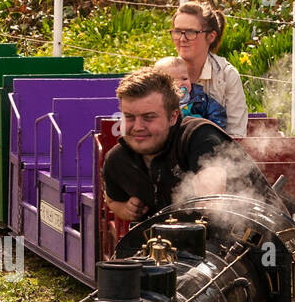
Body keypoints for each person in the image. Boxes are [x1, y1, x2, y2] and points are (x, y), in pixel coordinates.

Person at [103, 66, 276, 223]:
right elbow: (111, 199)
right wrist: (126, 210)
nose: (138, 127)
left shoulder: (198, 135)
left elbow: (211, 184)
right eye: (130, 117)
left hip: (264, 241)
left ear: (173, 117)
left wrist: (208, 193)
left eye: (149, 117)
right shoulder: (117, 159)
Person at [169, 1, 247, 138]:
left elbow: (236, 134)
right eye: (177, 31)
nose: (182, 39)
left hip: (216, 153)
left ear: (211, 36)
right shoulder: (164, 71)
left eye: (190, 32)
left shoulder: (227, 76)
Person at [155, 55, 228, 128]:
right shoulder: (159, 101)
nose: (181, 83)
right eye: (174, 81)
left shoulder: (199, 97)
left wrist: (212, 130)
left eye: (184, 78)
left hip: (197, 133)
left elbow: (218, 112)